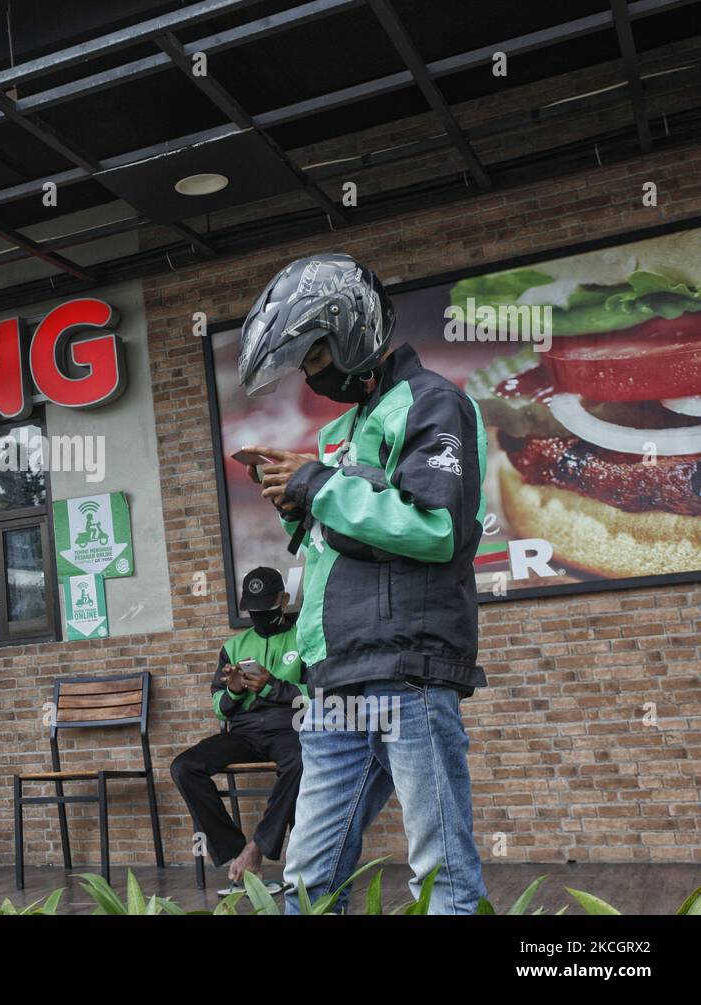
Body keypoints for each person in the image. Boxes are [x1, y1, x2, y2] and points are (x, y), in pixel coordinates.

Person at [236, 252, 489, 915]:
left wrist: (318, 485)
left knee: (442, 876)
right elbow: (347, 544)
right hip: (337, 681)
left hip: (407, 669)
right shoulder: (344, 431)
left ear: (349, 334)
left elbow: (434, 527)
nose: (310, 374)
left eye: (313, 356)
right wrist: (304, 502)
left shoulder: (433, 402)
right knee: (307, 879)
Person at [170, 567, 305, 896]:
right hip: (244, 732)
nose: (258, 615)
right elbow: (218, 705)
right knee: (184, 767)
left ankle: (257, 847)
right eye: (253, 610)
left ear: (283, 600)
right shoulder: (234, 646)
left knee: (301, 761)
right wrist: (234, 690)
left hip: (288, 728)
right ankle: (238, 857)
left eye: (265, 607)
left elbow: (318, 693)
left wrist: (274, 687)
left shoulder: (304, 636)